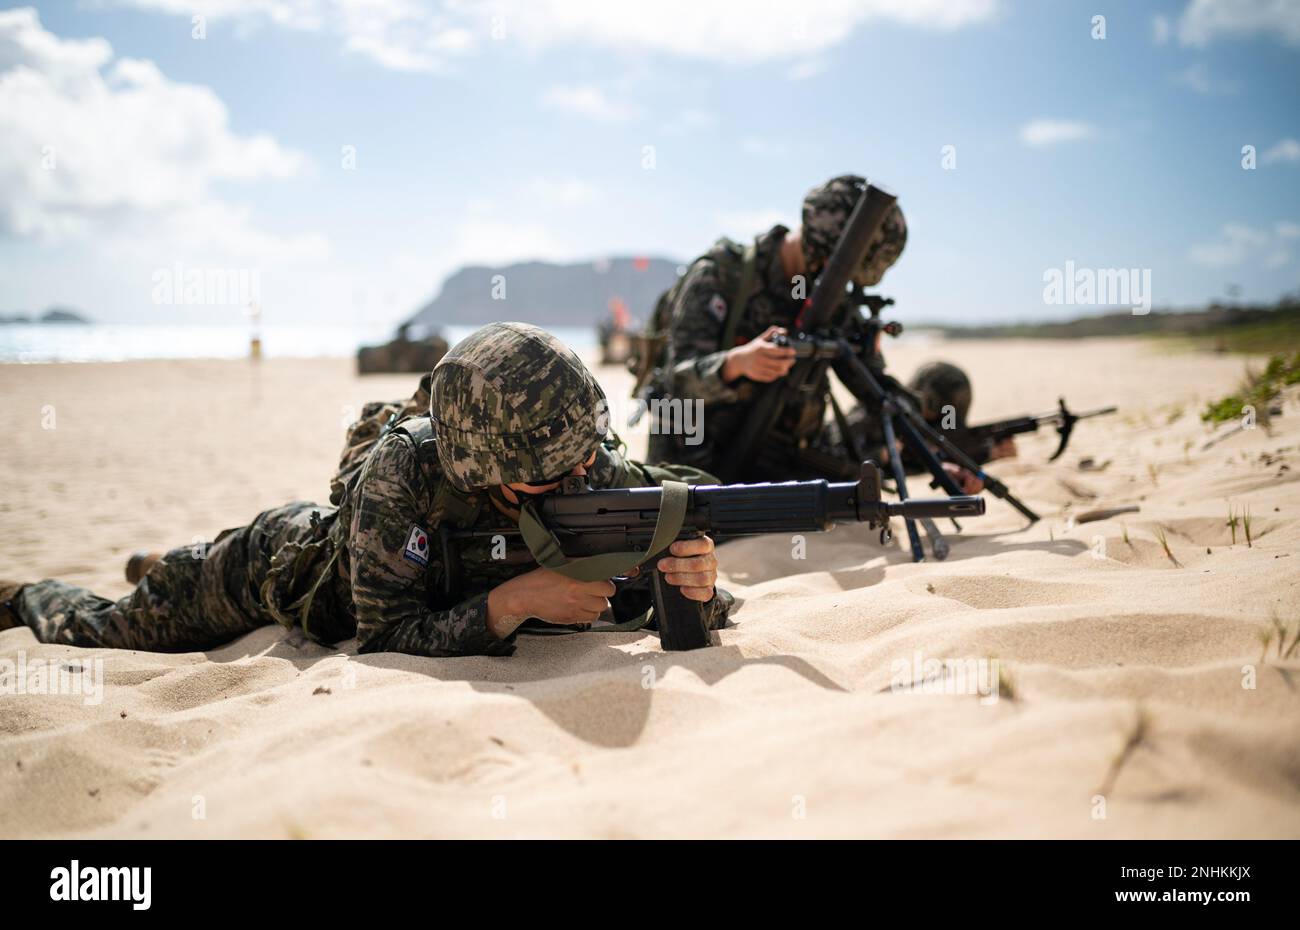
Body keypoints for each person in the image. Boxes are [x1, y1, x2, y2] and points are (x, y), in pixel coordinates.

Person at [0, 323, 730, 657]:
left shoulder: (564, 457)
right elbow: (382, 634)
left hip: (369, 558)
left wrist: (696, 581)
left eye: (584, 460)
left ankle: (156, 560)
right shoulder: (404, 472)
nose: (581, 477)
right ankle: (24, 594)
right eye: (556, 472)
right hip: (275, 573)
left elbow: (687, 501)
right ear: (482, 462)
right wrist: (510, 605)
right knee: (105, 629)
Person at [645, 174, 1010, 492]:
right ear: (824, 253)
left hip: (785, 452)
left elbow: (876, 392)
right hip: (704, 457)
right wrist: (736, 365)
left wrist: (935, 458)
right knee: (676, 413)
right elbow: (674, 385)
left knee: (939, 387)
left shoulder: (833, 301)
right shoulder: (720, 276)